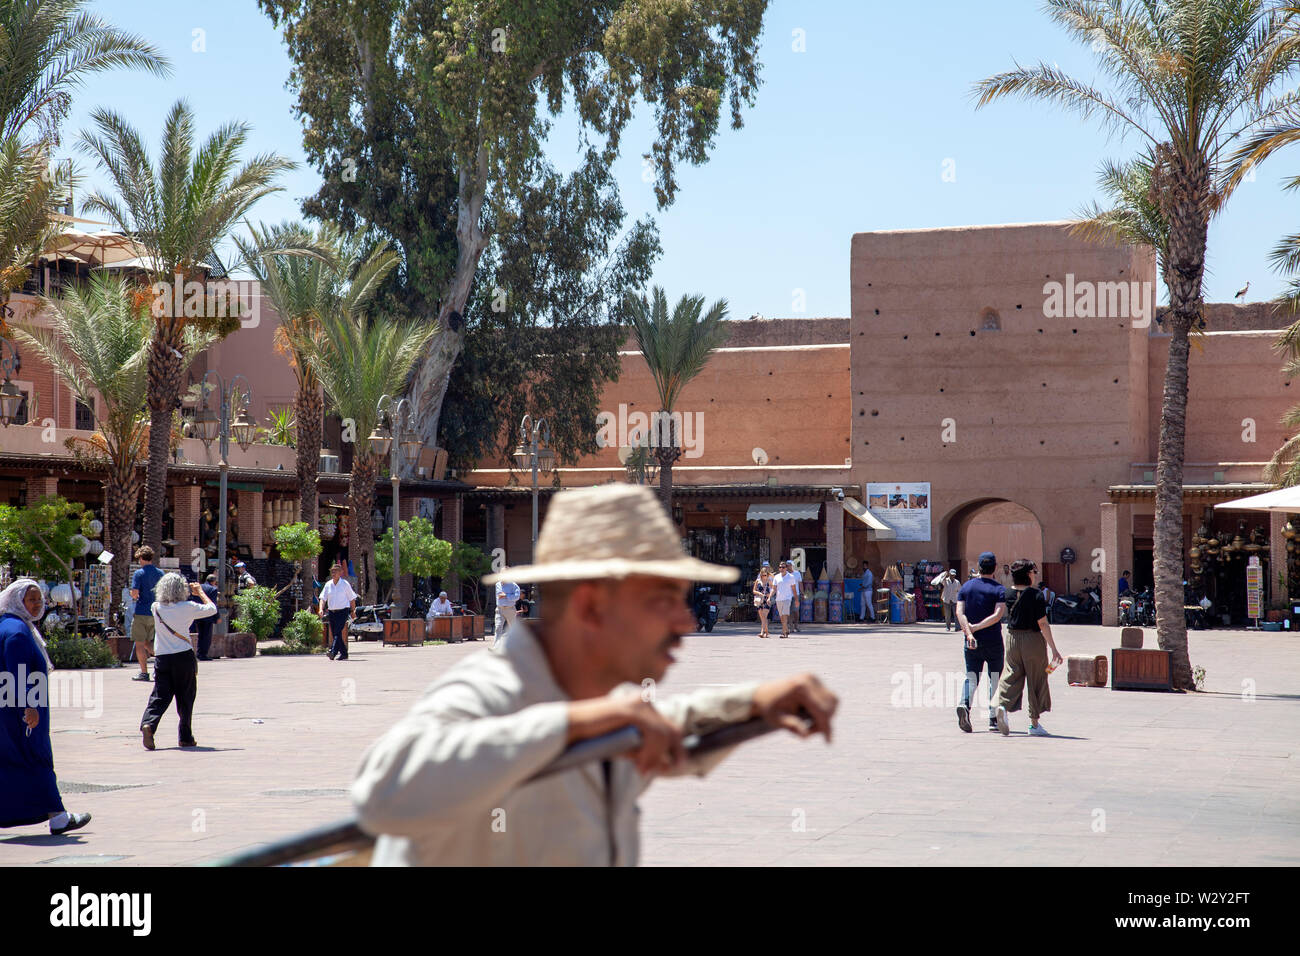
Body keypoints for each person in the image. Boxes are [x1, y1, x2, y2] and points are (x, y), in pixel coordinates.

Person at [350, 483, 837, 865]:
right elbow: (385, 789)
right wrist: (580, 722)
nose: (685, 622)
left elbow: (668, 728)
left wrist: (755, 704)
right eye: (663, 601)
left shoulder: (598, 707)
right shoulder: (497, 687)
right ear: (592, 607)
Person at [0, 579, 92, 835]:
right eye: (31, 600)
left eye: (40, 599)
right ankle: (59, 817)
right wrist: (28, 707)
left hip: (8, 708)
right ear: (17, 601)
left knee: (12, 761)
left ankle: (54, 814)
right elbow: (18, 674)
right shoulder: (17, 632)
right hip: (22, 709)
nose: (37, 604)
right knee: (37, 757)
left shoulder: (10, 625)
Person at [139, 573, 216, 750]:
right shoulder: (188, 606)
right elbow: (212, 609)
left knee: (160, 694)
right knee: (185, 697)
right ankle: (185, 736)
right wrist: (200, 592)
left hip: (162, 657)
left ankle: (149, 724)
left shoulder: (156, 607)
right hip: (183, 656)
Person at [993, 560, 1064, 737]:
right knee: (1036, 678)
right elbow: (1043, 624)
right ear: (1027, 574)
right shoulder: (1036, 595)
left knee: (1011, 674)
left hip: (1012, 639)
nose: (1035, 574)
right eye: (1033, 571)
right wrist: (1054, 649)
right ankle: (1034, 724)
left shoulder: (1007, 593)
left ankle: (1002, 706)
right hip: (1032, 640)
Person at [955, 551, 1007, 734]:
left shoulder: (966, 588)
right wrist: (977, 627)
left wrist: (969, 632)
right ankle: (993, 718)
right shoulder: (999, 589)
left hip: (971, 642)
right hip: (993, 641)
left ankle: (964, 705)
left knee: (971, 676)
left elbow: (959, 613)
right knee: (994, 678)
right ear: (995, 568)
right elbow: (998, 615)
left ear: (978, 567)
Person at [129, 545, 163, 682]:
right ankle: (161, 665)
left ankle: (144, 672)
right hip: (156, 612)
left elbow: (135, 593)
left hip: (142, 611)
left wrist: (133, 595)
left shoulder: (139, 573)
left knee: (140, 643)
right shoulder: (160, 573)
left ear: (142, 558)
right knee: (150, 643)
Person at [319, 562, 358, 661]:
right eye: (332, 571)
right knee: (336, 633)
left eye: (335, 571)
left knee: (336, 631)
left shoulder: (345, 584)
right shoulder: (328, 585)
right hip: (332, 612)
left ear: (340, 573)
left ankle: (333, 651)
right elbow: (323, 598)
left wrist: (353, 611)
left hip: (343, 611)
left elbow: (352, 598)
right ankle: (344, 653)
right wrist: (320, 609)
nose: (333, 573)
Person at [192, 574, 220, 661]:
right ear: (214, 581)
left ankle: (199, 653)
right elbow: (213, 604)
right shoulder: (213, 589)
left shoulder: (199, 587)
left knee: (200, 635)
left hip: (198, 614)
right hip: (208, 616)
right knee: (206, 636)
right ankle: (203, 654)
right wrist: (217, 617)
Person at [772, 561, 798, 639]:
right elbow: (774, 589)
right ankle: (786, 629)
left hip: (787, 598)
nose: (781, 569)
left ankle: (784, 633)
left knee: (784, 615)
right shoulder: (776, 577)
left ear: (786, 568)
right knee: (781, 617)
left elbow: (794, 589)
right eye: (780, 567)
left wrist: (796, 600)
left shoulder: (791, 577)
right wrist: (770, 596)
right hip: (778, 599)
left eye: (783, 567)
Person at [494, 579, 521, 646]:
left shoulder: (514, 585)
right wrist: (507, 596)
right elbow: (499, 595)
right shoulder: (497, 584)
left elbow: (517, 597)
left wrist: (506, 595)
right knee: (498, 627)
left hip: (510, 609)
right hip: (499, 609)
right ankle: (496, 647)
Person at [752, 564, 774, 638]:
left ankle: (762, 632)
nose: (764, 576)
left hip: (766, 600)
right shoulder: (757, 581)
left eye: (765, 575)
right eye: (763, 575)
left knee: (764, 616)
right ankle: (767, 631)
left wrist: (769, 596)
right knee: (762, 618)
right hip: (759, 600)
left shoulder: (769, 581)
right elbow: (754, 590)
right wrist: (759, 593)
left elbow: (773, 589)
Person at [787, 560, 804, 632]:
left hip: (796, 595)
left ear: (792, 566)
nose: (788, 566)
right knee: (789, 611)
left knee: (796, 611)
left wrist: (802, 593)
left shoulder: (797, 574)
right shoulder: (785, 574)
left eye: (790, 565)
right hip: (787, 595)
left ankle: (796, 625)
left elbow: (800, 584)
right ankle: (791, 626)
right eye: (787, 565)